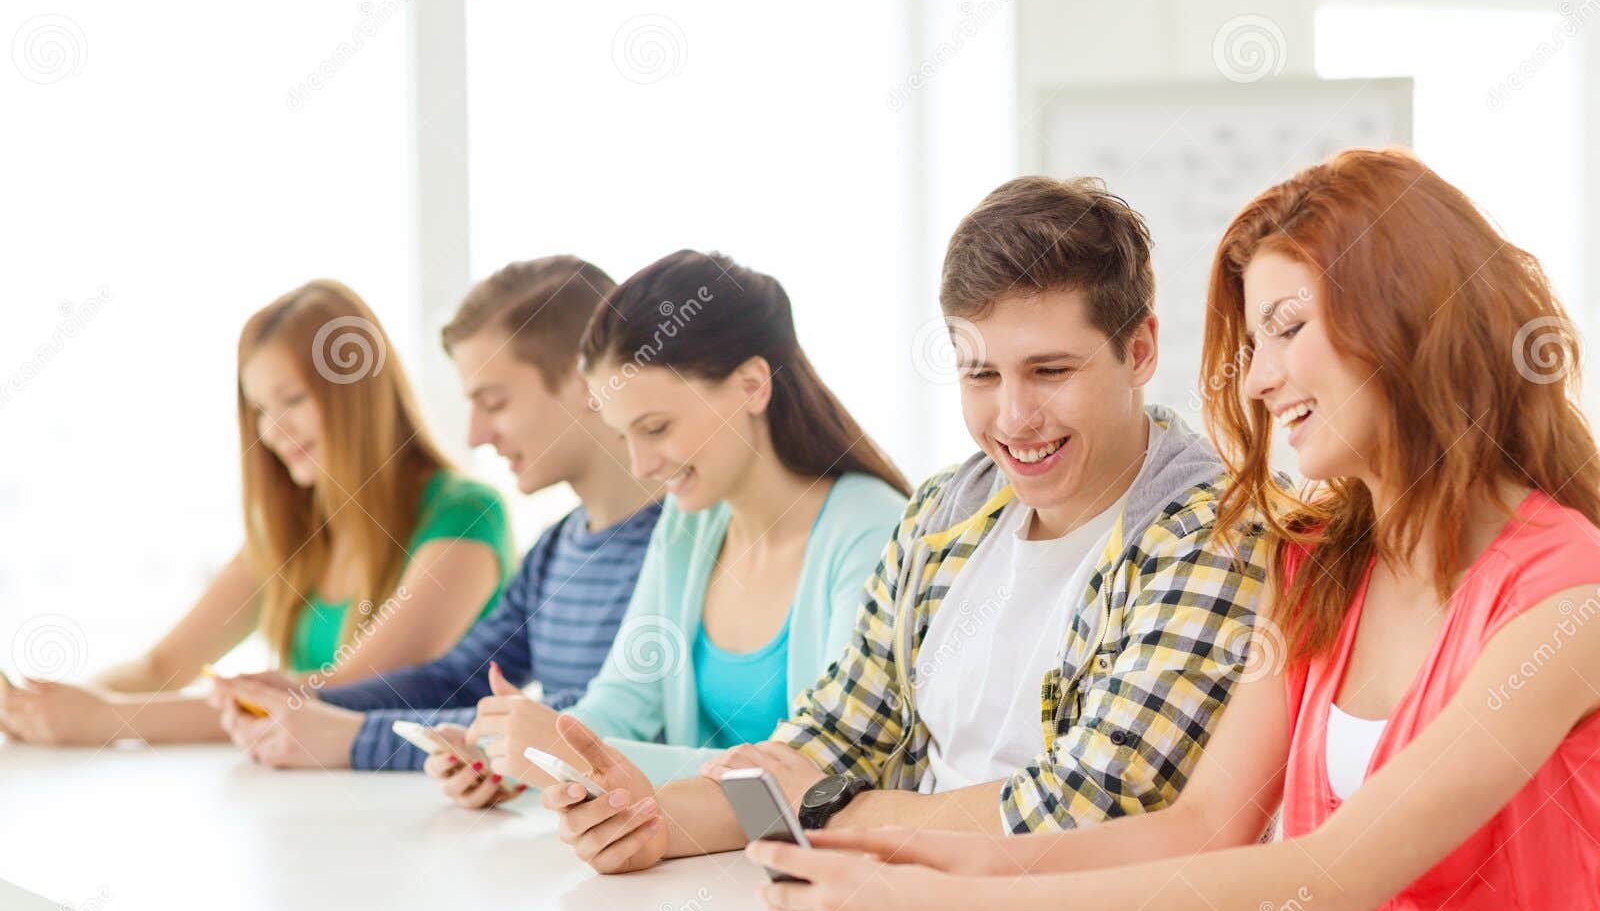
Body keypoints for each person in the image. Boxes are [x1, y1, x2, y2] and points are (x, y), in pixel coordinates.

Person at [744, 149, 1600, 911]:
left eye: (1288, 329)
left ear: (1408, 317)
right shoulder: (1315, 565)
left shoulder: (1568, 594)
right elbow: (1198, 830)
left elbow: (1328, 880)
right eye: (1254, 343)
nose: (1258, 379)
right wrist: (913, 856)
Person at [540, 177, 1272, 874]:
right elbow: (824, 746)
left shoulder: (1211, 533)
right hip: (903, 908)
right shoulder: (945, 514)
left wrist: (839, 812)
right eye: (981, 375)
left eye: (1050, 371)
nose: (1014, 417)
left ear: (1139, 352)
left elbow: (1093, 805)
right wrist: (657, 824)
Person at [421, 249, 911, 809]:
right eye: (624, 435)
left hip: (796, 857)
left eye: (655, 428)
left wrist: (580, 760)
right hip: (690, 853)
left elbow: (820, 773)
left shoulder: (870, 531)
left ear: (752, 385)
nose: (641, 465)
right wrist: (522, 759)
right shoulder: (689, 523)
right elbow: (621, 703)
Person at [0, 280, 513, 748]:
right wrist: (42, 711)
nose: (273, 431)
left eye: (293, 399)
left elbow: (342, 694)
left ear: (360, 394)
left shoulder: (465, 515)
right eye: (261, 410)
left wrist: (109, 721)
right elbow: (162, 665)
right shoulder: (293, 531)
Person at [209, 257, 665, 775]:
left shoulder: (679, 547)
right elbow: (455, 679)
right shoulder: (554, 551)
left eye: (494, 402)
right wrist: (310, 698)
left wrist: (352, 738)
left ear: (587, 383)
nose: (475, 434)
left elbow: (586, 728)